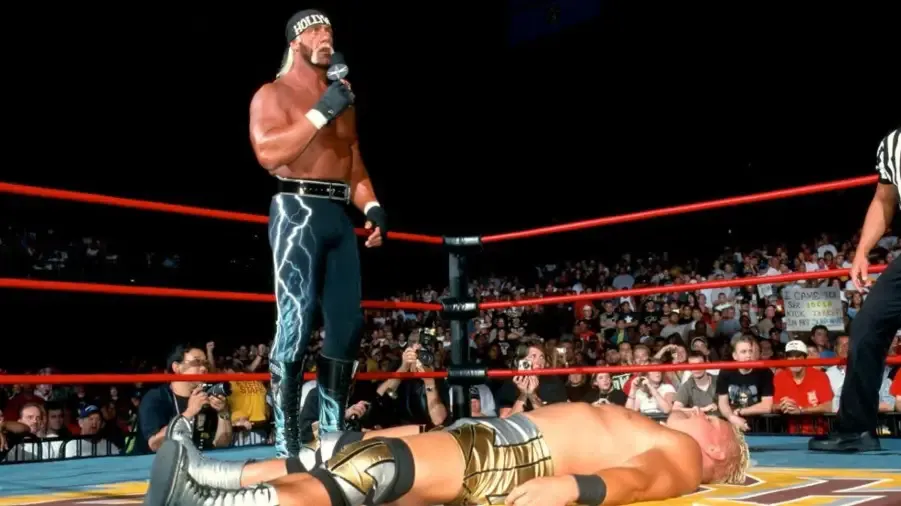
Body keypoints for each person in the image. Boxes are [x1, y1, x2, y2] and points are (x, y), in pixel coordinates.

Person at [248, 8, 388, 458]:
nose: (325, 34)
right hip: (296, 209)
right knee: (297, 318)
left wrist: (372, 206)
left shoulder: (342, 97)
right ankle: (286, 436)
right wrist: (318, 113)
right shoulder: (273, 93)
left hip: (337, 215)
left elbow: (353, 162)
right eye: (314, 29)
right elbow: (268, 153)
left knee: (348, 324)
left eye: (329, 28)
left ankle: (331, 430)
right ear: (295, 42)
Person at [146, 403, 749, 506]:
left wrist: (573, 488)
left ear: (717, 444)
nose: (693, 409)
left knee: (374, 468)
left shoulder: (681, 452)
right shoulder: (665, 434)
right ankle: (214, 474)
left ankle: (211, 500)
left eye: (707, 416)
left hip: (518, 454)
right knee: (346, 450)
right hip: (506, 442)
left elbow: (643, 481)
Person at [810, 128, 900, 452]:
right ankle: (856, 430)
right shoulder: (893, 144)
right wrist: (862, 251)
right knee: (866, 327)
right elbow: (884, 199)